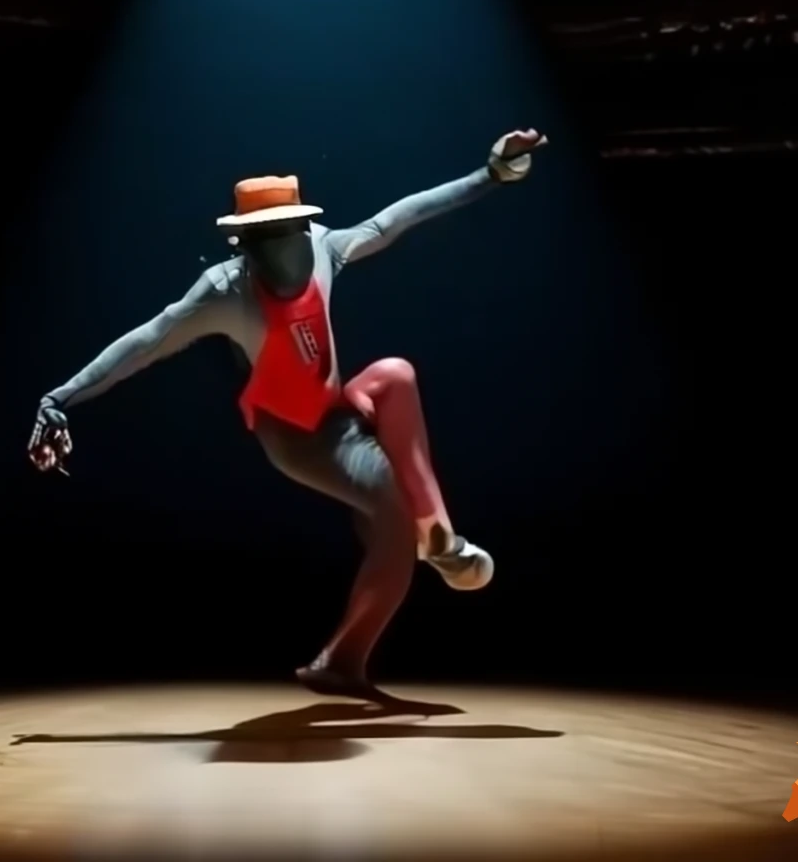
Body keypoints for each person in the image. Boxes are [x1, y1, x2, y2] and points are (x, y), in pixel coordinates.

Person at [29, 129, 547, 698]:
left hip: (337, 407)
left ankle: (439, 540)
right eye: (268, 238)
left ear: (305, 225)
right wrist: (61, 397)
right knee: (391, 507)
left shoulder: (324, 246)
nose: (287, 250)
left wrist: (489, 175)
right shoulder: (226, 291)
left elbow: (398, 219)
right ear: (244, 247)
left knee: (396, 374)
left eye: (290, 232)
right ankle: (342, 660)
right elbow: (146, 341)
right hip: (299, 437)